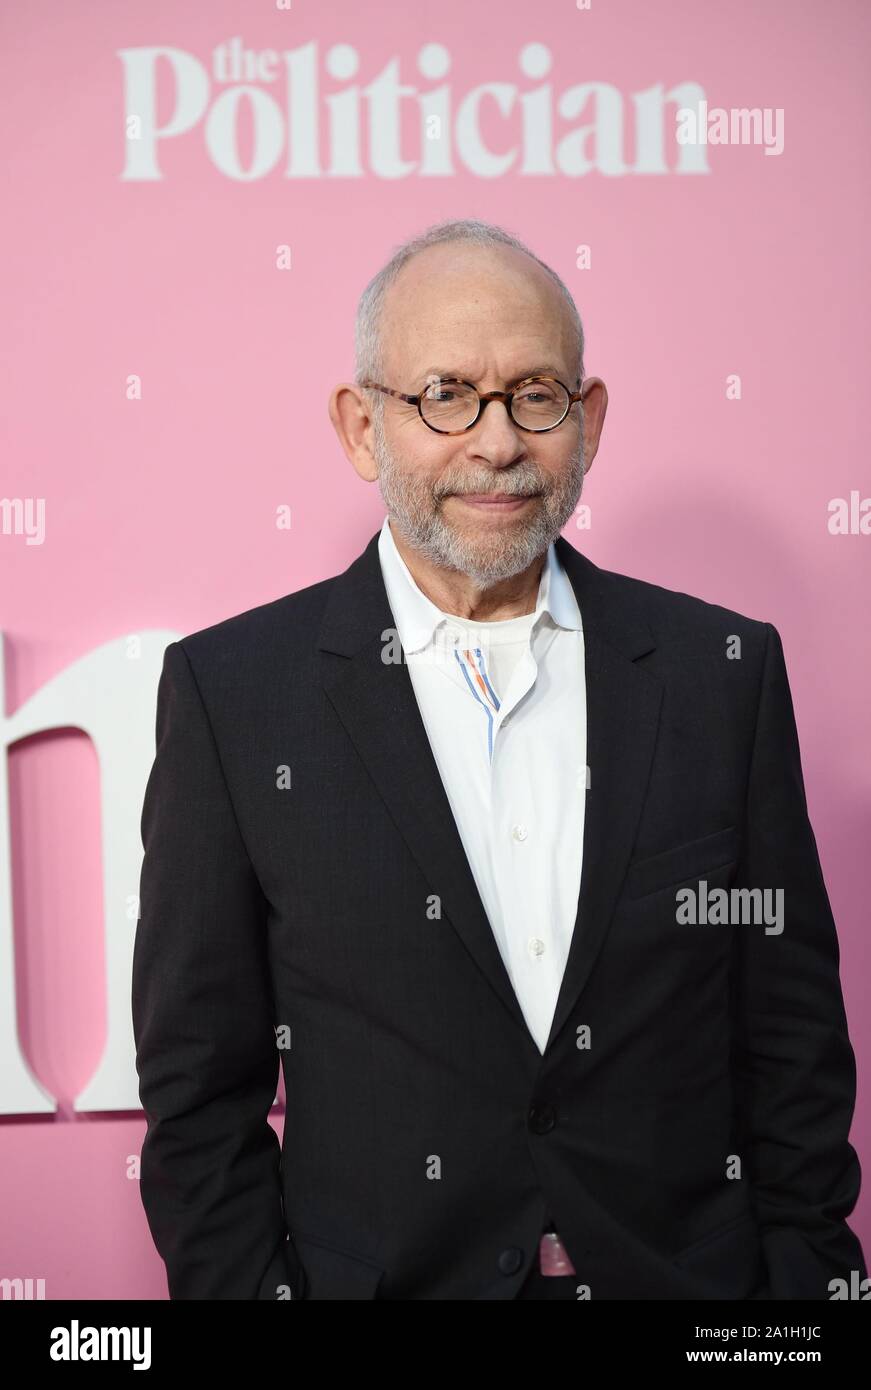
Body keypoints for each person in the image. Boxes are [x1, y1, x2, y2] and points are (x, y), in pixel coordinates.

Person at [132, 217, 865, 1300]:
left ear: (588, 416)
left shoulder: (721, 673)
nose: (496, 442)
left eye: (535, 394)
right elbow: (200, 1089)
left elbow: (792, 1043)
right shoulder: (236, 696)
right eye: (444, 394)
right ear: (360, 426)